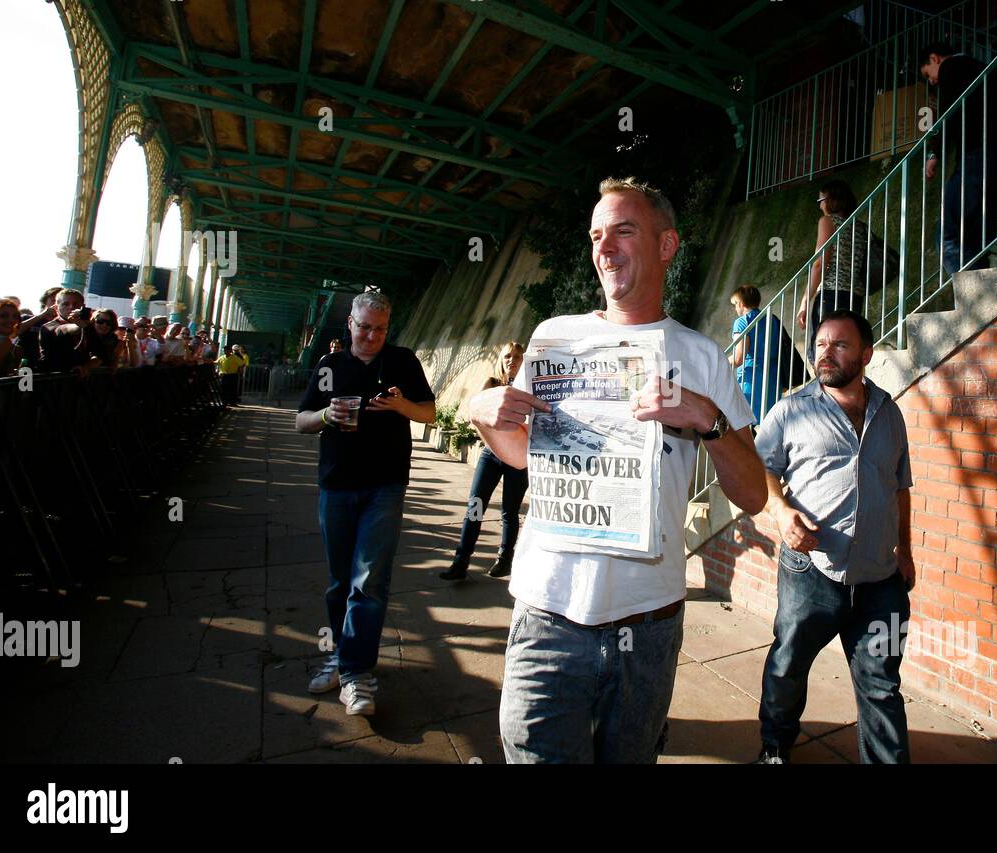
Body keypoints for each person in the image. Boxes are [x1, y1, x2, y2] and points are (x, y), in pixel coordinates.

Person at [470, 177, 767, 763]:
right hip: (548, 615)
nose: (605, 247)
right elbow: (526, 454)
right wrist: (483, 413)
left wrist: (709, 420)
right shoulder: (555, 339)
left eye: (623, 232)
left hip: (648, 627)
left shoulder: (703, 356)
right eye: (596, 236)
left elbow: (754, 492)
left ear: (665, 245)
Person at [753, 308, 916, 765]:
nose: (826, 352)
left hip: (880, 578)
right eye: (821, 343)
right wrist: (782, 511)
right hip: (811, 573)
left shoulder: (890, 413)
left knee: (882, 683)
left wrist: (905, 549)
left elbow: (900, 485)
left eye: (840, 344)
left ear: (866, 354)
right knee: (788, 666)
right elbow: (760, 467)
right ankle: (775, 748)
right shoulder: (791, 410)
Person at [296, 291, 436, 716]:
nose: (372, 336)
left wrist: (400, 405)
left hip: (385, 484)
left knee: (369, 579)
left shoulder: (403, 361)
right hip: (336, 484)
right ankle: (340, 655)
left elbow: (429, 413)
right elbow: (301, 420)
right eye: (364, 327)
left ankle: (357, 673)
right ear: (350, 325)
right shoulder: (329, 366)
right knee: (341, 580)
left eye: (380, 329)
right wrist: (326, 417)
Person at [919, 42, 997, 276]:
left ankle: (972, 292)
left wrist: (933, 153)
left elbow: (947, 114)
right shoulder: (980, 70)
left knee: (949, 232)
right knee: (977, 231)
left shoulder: (951, 67)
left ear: (935, 58)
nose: (932, 82)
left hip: (979, 155)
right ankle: (983, 285)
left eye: (928, 74)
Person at [440, 341, 531, 581]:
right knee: (476, 506)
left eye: (518, 357)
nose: (512, 360)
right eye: (508, 356)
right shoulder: (491, 385)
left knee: (509, 512)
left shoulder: (528, 389)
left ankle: (504, 559)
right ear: (501, 359)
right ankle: (461, 560)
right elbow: (475, 416)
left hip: (516, 460)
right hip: (491, 456)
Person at [796, 180, 894, 364]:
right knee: (843, 347)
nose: (820, 206)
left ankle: (825, 389)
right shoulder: (860, 227)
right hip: (854, 295)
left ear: (831, 200)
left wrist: (804, 302)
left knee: (821, 351)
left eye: (820, 201)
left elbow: (819, 263)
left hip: (831, 294)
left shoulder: (828, 222)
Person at [728, 285, 784, 425]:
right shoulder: (770, 317)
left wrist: (721, 361)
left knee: (744, 422)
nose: (735, 308)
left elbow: (738, 358)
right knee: (773, 420)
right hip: (772, 374)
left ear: (741, 303)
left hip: (752, 377)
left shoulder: (741, 322)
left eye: (735, 304)